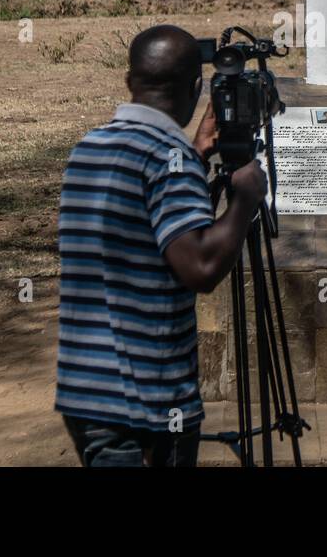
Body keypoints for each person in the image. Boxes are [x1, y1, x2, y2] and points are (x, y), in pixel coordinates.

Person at [55, 24, 266, 467]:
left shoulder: (88, 149)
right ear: (195, 88)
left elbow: (145, 232)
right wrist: (245, 198)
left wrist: (195, 155)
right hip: (147, 399)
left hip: (85, 392)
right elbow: (200, 268)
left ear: (130, 83)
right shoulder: (169, 158)